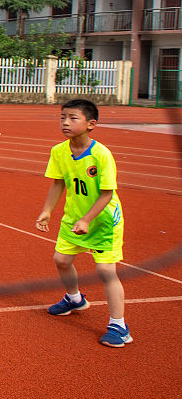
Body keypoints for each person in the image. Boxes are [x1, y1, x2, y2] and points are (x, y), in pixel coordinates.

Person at [36, 99, 130, 348]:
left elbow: (107, 193)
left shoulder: (101, 154)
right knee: (61, 260)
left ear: (91, 124)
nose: (65, 122)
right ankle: (75, 299)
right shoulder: (59, 151)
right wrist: (47, 211)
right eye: (62, 117)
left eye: (73, 118)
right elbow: (58, 183)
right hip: (73, 217)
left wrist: (87, 219)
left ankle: (119, 326)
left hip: (103, 221)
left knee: (106, 271)